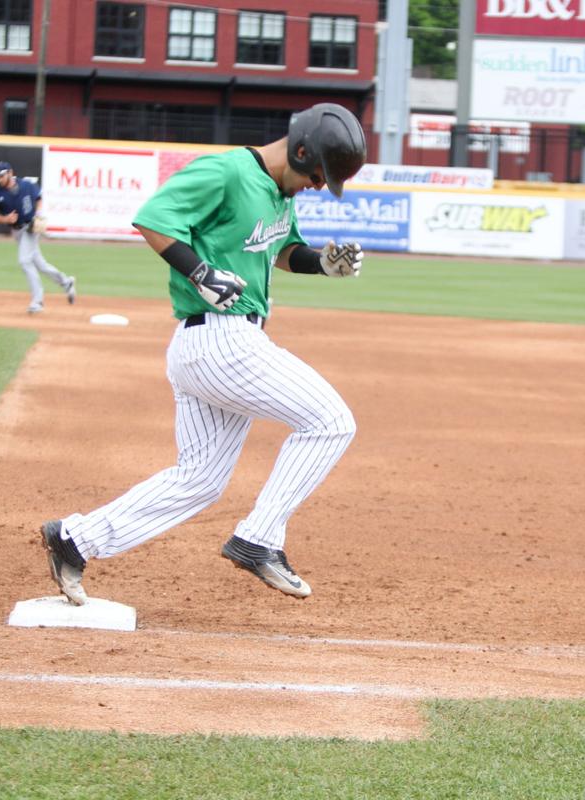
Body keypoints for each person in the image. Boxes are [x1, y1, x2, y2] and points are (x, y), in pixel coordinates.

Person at [40, 102, 367, 605]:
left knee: (199, 480)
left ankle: (75, 539)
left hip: (208, 347)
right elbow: (154, 219)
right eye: (320, 174)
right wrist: (199, 272)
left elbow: (279, 250)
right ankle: (259, 538)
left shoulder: (280, 194)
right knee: (331, 421)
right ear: (302, 151)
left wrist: (323, 263)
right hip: (223, 342)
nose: (320, 186)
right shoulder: (227, 171)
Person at [0, 161, 75, 313]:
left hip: (30, 228)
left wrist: (39, 213)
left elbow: (38, 198)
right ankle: (66, 282)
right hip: (16, 231)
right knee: (40, 264)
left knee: (24, 261)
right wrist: (5, 219)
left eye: (1, 176)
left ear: (10, 173)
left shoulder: (26, 185)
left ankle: (38, 300)